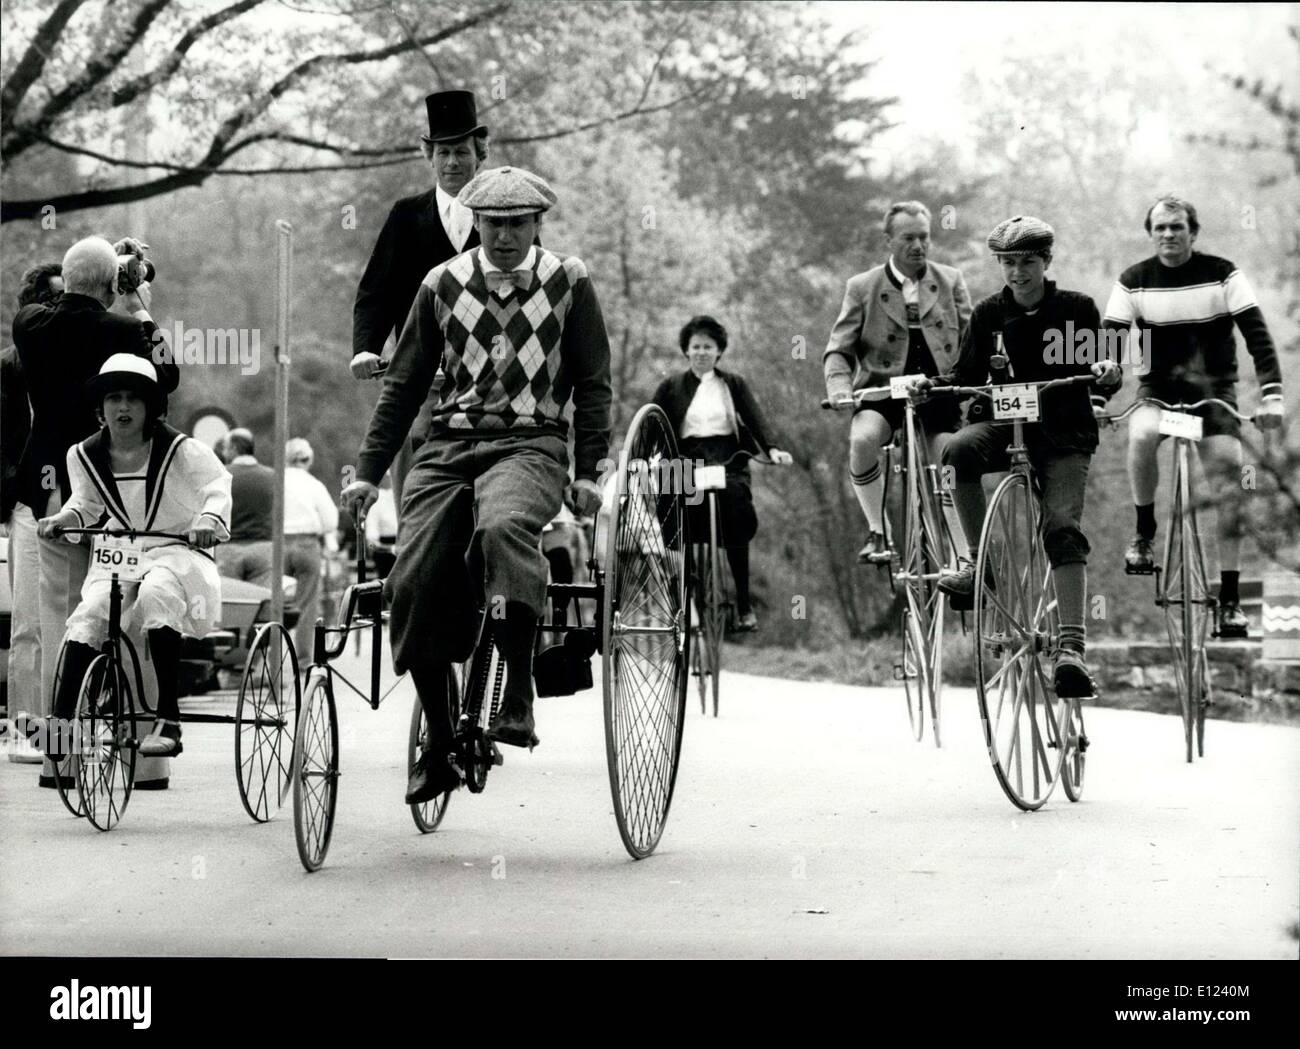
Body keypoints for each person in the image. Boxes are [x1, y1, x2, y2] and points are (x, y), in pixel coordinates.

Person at [342, 165, 610, 804]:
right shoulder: (441, 284)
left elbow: (594, 384)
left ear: (538, 223)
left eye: (518, 224)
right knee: (410, 576)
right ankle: (440, 739)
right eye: (495, 224)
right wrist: (369, 474)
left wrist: (588, 472)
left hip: (531, 443)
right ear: (478, 224)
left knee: (501, 526)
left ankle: (518, 692)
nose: (506, 237)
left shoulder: (569, 282)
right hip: (448, 447)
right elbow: (403, 386)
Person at [919, 216, 1121, 697]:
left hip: (1063, 435)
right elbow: (962, 373)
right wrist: (932, 386)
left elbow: (1108, 372)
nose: (1017, 272)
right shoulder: (988, 314)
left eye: (1026, 262)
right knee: (958, 449)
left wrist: (1106, 370)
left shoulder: (1077, 308)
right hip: (1006, 425)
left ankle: (1071, 649)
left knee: (1061, 526)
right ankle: (978, 564)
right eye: (1008, 263)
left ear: (1046, 262)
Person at [13, 236, 178, 778]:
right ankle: (142, 757)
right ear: (112, 286)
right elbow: (167, 372)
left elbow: (55, 292)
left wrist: (105, 260)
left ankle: (59, 755)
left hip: (52, 490)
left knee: (60, 616)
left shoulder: (30, 325)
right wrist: (136, 300)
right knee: (124, 610)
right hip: (116, 489)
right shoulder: (126, 332)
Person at [1102, 194, 1285, 635]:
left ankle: (1230, 600)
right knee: (1141, 435)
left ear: (1193, 232)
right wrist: (1097, 396)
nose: (1168, 235)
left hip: (1214, 394)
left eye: (1177, 227)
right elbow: (1108, 347)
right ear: (1150, 234)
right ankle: (1144, 534)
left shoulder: (1223, 273)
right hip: (1157, 393)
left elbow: (1257, 336)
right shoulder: (1133, 281)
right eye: (1160, 228)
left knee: (1230, 487)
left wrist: (1272, 395)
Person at [37, 355, 230, 758]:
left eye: (133, 399)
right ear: (101, 408)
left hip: (175, 545)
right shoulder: (83, 454)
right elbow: (86, 503)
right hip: (123, 546)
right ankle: (61, 724)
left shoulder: (181, 449)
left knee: (159, 591)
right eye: (114, 399)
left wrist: (209, 519)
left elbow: (217, 486)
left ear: (150, 408)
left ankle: (169, 719)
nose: (123, 408)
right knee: (91, 610)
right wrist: (63, 517)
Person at [351, 89, 488, 515]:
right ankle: (415, 548)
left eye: (461, 152)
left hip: (488, 371)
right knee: (413, 448)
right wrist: (366, 348)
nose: (452, 163)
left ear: (479, 154)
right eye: (443, 152)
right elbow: (377, 290)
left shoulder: (504, 217)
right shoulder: (406, 215)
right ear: (429, 156)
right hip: (421, 369)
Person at [823, 201, 971, 564]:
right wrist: (840, 389)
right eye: (908, 238)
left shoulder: (950, 280)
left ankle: (962, 551)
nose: (918, 246)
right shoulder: (862, 287)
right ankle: (879, 531)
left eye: (924, 237)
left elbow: (973, 338)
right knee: (862, 437)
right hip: (883, 393)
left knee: (953, 458)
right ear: (888, 240)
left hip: (939, 392)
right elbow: (838, 350)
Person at [652, 315, 792, 632]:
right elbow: (651, 425)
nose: (701, 352)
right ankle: (684, 589)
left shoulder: (733, 384)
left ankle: (743, 604)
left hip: (728, 456)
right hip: (685, 456)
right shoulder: (671, 386)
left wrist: (772, 449)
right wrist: (643, 458)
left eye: (708, 347)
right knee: (672, 498)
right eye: (696, 346)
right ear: (686, 351)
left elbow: (755, 417)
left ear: (719, 351)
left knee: (735, 502)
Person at [2, 263, 63, 765]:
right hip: (26, 502)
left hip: (72, 499)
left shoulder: (76, 366)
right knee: (28, 619)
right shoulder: (9, 368)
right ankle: (25, 728)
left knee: (70, 617)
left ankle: (63, 724)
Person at [283, 437, 339, 658]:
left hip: (280, 543)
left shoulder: (276, 480)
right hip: (307, 544)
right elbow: (330, 521)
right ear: (308, 460)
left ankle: (270, 659)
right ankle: (304, 658)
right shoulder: (314, 485)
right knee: (307, 605)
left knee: (276, 602)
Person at [214, 428, 275, 588]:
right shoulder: (272, 476)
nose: (224, 453)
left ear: (234, 448)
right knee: (263, 603)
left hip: (229, 549)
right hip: (263, 548)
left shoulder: (222, 475)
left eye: (225, 448)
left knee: (231, 604)